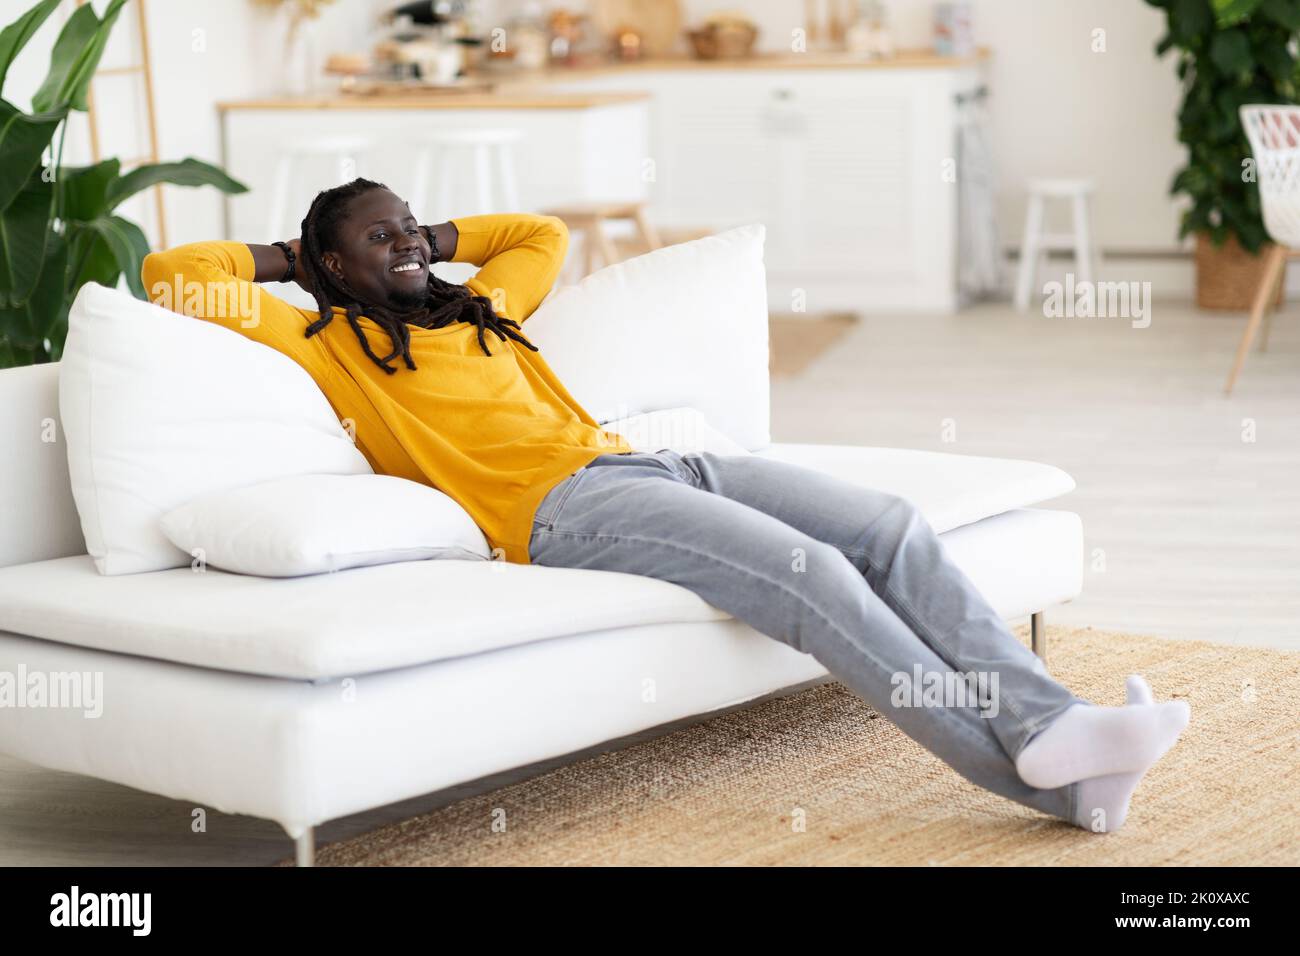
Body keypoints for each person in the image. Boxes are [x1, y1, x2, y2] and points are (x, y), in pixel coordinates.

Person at [141, 177, 1189, 833]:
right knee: (816, 579)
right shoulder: (326, 340)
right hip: (560, 510)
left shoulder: (480, 307)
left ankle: (1059, 734)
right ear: (331, 265)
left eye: (412, 225)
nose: (409, 242)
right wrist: (298, 262)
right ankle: (1033, 772)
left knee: (890, 527)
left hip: (649, 464)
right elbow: (173, 274)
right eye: (381, 237)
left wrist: (427, 239)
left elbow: (538, 233)